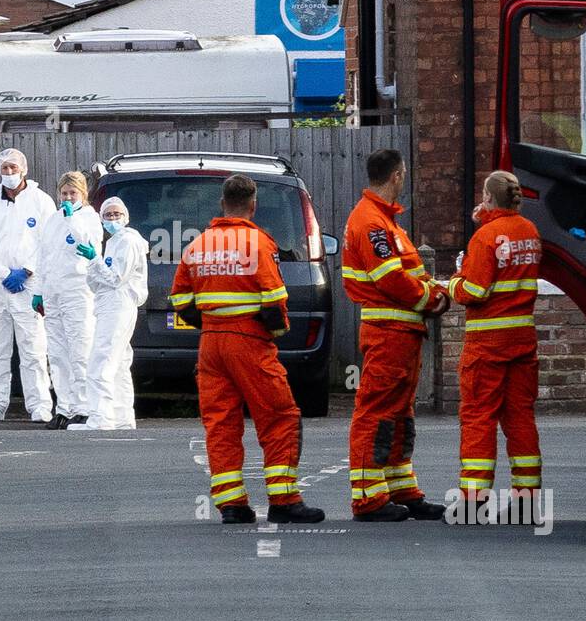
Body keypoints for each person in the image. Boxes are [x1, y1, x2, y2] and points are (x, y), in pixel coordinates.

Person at [168, 175, 324, 524]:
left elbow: (179, 299)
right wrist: (276, 331)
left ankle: (232, 505)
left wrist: (211, 323)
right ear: (253, 205)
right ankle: (284, 500)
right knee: (279, 415)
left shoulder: (198, 246)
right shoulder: (257, 243)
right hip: (249, 341)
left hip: (211, 345)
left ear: (222, 204)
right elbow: (274, 300)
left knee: (221, 422)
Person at [341, 148, 449, 521]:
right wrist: (431, 300)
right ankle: (368, 497)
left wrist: (434, 291)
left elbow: (407, 274)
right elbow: (391, 278)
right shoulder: (372, 222)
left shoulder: (385, 222)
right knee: (377, 412)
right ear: (397, 176)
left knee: (400, 414)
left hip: (401, 331)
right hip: (388, 331)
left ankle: (400, 488)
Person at [446, 170, 543, 506]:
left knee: (478, 415)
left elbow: (474, 290)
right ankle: (528, 495)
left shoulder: (486, 237)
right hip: (522, 342)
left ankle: (474, 498)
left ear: (488, 198)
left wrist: (454, 279)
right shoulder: (529, 232)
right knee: (520, 416)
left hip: (487, 345)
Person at [0, 148, 56, 422]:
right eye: (4, 168)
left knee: (33, 347)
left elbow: (49, 240)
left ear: (24, 169)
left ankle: (40, 405)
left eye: (13, 167)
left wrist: (27, 270)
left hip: (30, 284)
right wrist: (3, 273)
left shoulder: (41, 202)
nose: (9, 173)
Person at [67, 197, 148, 431]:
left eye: (116, 214)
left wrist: (94, 260)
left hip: (118, 304)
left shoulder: (128, 241)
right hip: (111, 304)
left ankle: (100, 417)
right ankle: (122, 417)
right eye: (108, 215)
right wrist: (95, 263)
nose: (112, 219)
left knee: (100, 361)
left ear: (126, 216)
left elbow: (114, 278)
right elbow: (97, 282)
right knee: (120, 362)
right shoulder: (115, 242)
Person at [33, 172, 102, 430]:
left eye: (73, 194)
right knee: (58, 353)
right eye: (64, 194)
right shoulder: (53, 220)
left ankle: (84, 407)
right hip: (54, 292)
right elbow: (43, 257)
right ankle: (64, 407)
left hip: (78, 291)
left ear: (83, 195)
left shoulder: (89, 218)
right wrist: (38, 291)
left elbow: (85, 242)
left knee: (80, 350)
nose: (68, 198)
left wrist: (72, 216)